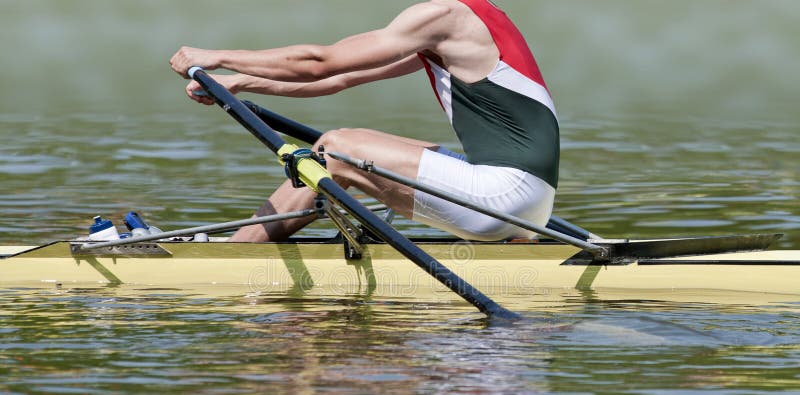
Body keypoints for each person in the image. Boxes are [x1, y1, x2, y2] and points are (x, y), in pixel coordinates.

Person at [170, 0, 559, 243]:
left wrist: (218, 55)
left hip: (504, 196)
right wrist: (242, 82)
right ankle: (519, 242)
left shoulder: (443, 16)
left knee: (337, 151)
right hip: (531, 206)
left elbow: (319, 62)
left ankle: (241, 250)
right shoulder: (479, 18)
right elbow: (340, 78)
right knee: (353, 142)